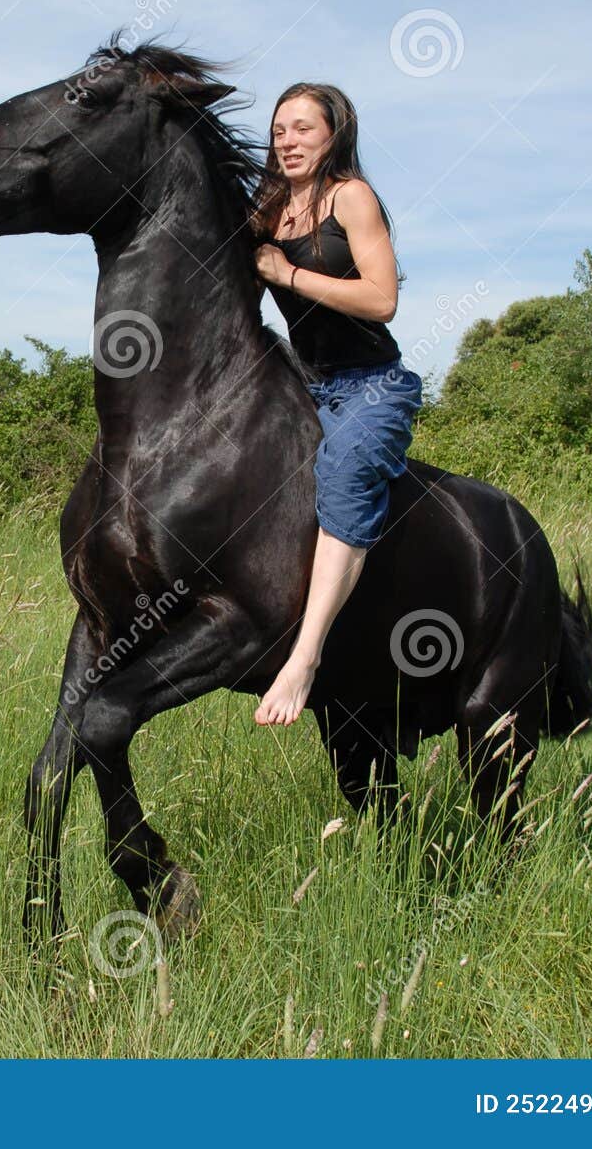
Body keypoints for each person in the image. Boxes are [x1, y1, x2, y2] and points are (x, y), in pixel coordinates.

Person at [249, 82, 422, 726]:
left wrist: (286, 274)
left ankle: (305, 658)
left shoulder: (351, 197)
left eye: (303, 129)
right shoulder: (265, 210)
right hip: (306, 381)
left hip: (372, 384)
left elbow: (382, 300)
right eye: (278, 131)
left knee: (345, 470)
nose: (288, 142)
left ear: (333, 135)